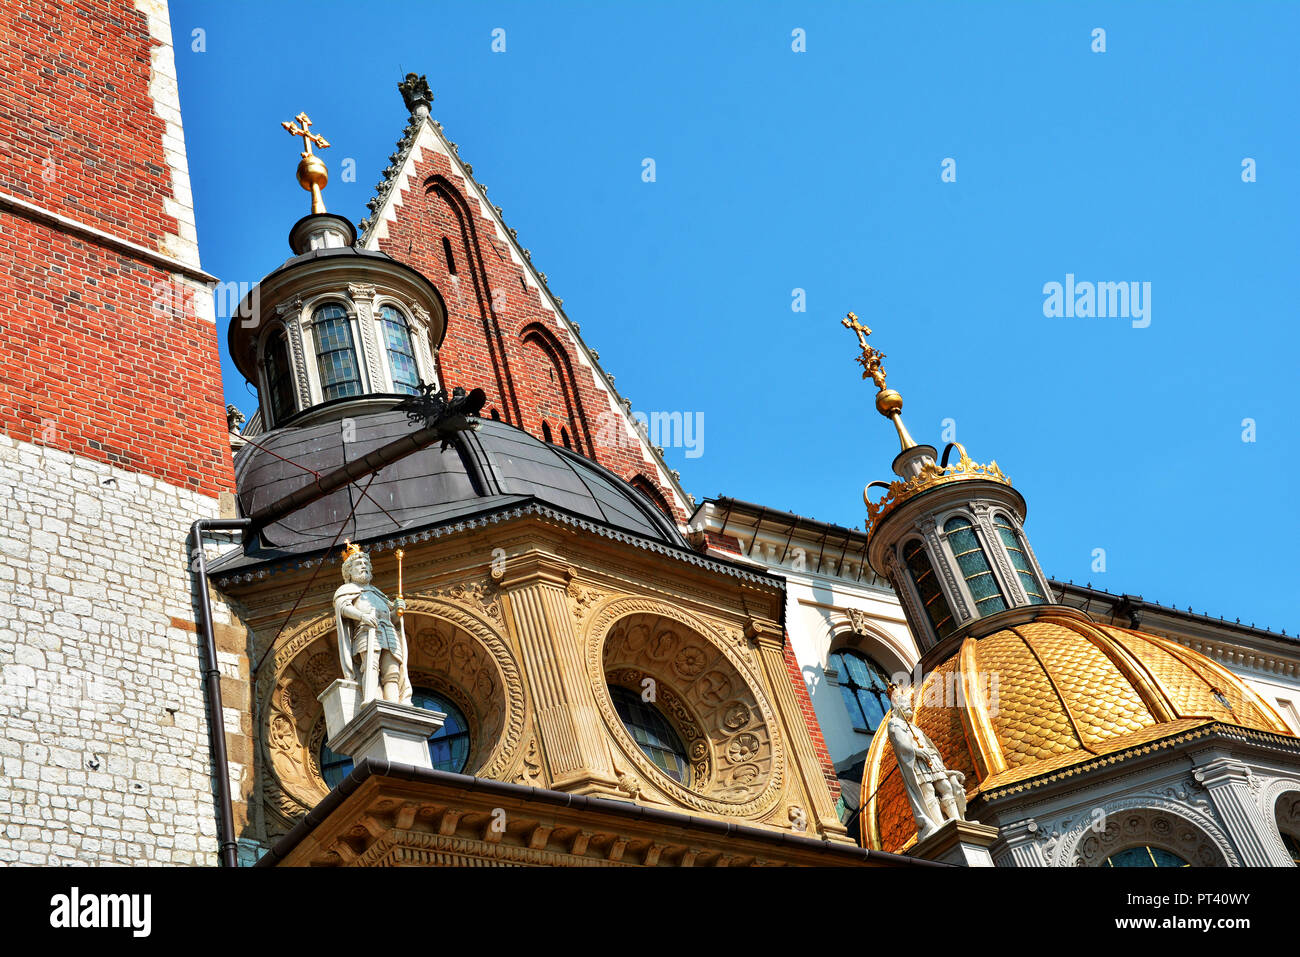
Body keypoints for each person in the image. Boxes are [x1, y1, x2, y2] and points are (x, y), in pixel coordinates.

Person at [886, 683, 966, 841]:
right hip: (917, 762)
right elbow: (902, 745)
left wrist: (939, 763)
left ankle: (957, 819)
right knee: (928, 790)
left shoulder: (913, 727)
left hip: (930, 760)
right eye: (906, 707)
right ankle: (938, 823)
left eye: (910, 706)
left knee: (945, 786)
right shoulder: (895, 724)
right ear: (899, 708)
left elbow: (927, 743)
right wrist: (916, 752)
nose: (910, 709)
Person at [333, 543, 412, 705]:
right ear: (349, 571)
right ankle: (372, 701)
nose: (364, 566)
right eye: (358, 564)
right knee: (371, 667)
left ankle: (394, 704)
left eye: (366, 564)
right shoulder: (347, 589)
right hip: (367, 631)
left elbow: (392, 619)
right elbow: (342, 607)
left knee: (392, 671)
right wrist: (362, 616)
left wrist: (397, 612)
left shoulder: (378, 593)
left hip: (387, 630)